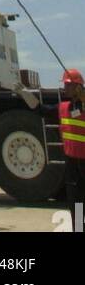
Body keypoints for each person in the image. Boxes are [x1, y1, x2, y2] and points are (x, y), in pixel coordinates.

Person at [59, 67, 85, 227]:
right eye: (65, 85)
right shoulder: (64, 107)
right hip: (72, 163)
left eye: (68, 85)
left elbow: (80, 108)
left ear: (77, 87)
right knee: (76, 202)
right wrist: (26, 96)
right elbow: (42, 110)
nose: (64, 88)